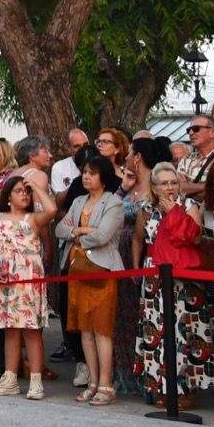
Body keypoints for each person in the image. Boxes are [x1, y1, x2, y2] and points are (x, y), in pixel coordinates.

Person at [135, 161, 214, 407]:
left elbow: (194, 236)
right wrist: (136, 269)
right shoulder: (146, 208)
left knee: (185, 331)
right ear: (154, 186)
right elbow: (139, 239)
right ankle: (159, 385)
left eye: (173, 182)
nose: (169, 188)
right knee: (156, 330)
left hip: (184, 277)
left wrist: (173, 213)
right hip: (154, 276)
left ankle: (186, 388)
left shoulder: (190, 206)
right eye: (163, 183)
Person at [56, 156, 125, 405]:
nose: (86, 176)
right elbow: (60, 229)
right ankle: (93, 381)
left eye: (92, 173)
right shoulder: (77, 201)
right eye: (84, 172)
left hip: (102, 269)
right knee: (85, 329)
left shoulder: (114, 203)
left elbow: (103, 236)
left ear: (103, 177)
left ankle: (106, 383)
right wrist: (79, 231)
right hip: (77, 269)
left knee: (102, 329)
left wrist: (79, 236)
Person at [0, 173, 58, 399]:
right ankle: (10, 376)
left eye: (25, 191)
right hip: (4, 279)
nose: (24, 194)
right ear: (8, 196)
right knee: (10, 329)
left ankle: (36, 379)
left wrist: (36, 186)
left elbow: (52, 210)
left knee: (31, 330)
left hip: (27, 279)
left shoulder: (33, 220)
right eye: (18, 191)